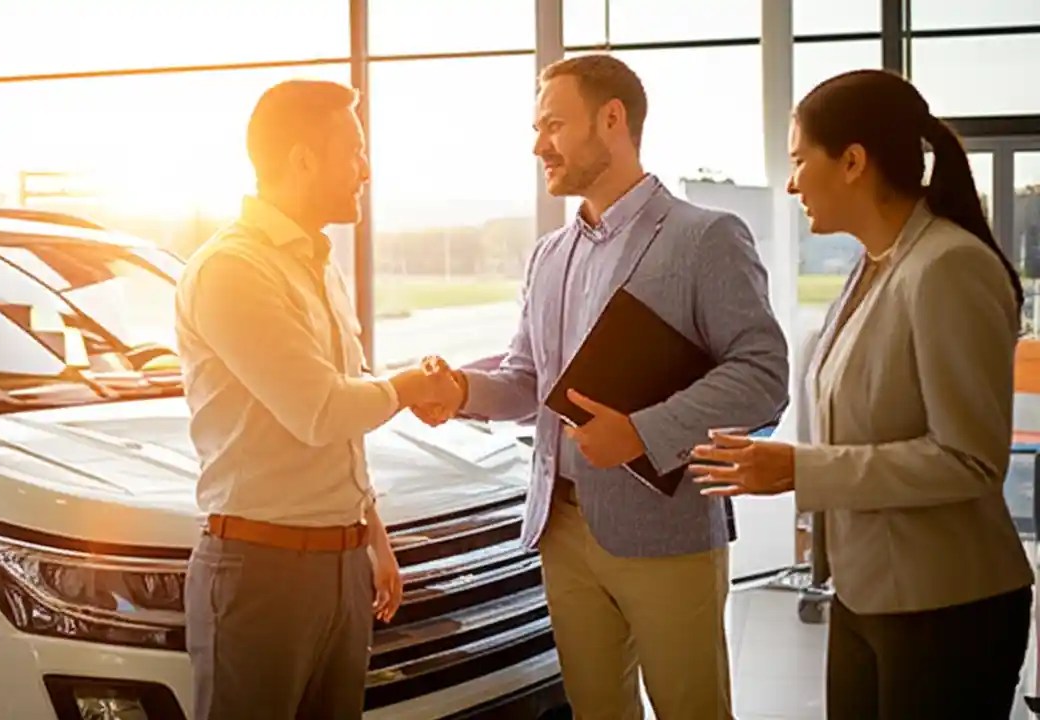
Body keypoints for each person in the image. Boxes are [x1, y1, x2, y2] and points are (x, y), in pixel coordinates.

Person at [417, 54, 789, 719]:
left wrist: (643, 432)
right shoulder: (549, 254)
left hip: (667, 534)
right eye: (537, 128)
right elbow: (530, 379)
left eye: (553, 125)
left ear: (612, 120)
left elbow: (763, 375)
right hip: (560, 531)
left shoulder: (703, 237)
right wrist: (462, 392)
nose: (538, 146)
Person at [691, 69, 1034, 719]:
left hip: (946, 607)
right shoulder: (875, 266)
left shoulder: (948, 267)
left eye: (798, 161)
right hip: (867, 593)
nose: (791, 184)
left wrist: (800, 469)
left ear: (852, 162)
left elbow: (970, 458)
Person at [175, 79, 460, 719]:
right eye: (353, 150)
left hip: (340, 568)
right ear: (302, 158)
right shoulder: (232, 270)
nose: (365, 169)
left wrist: (372, 534)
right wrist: (414, 383)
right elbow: (322, 410)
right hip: (260, 573)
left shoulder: (316, 263)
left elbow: (343, 426)